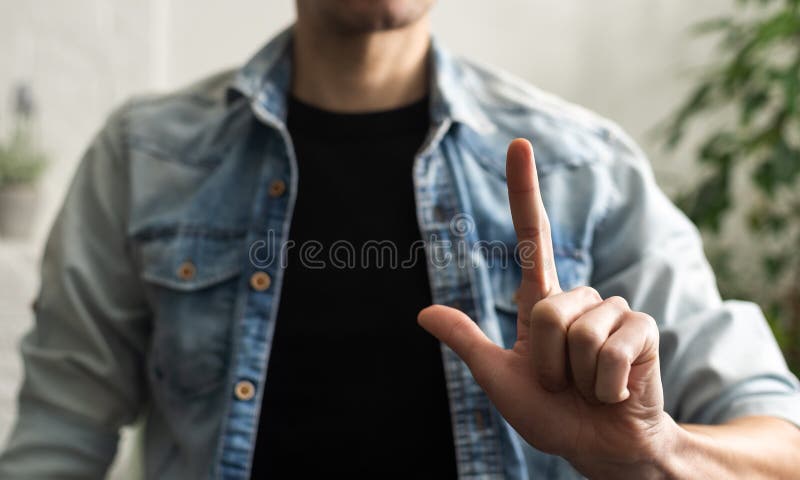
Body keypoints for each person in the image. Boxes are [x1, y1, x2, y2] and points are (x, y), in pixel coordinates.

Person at [1, 1, 799, 478]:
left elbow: (781, 438)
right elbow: (56, 439)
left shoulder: (583, 166)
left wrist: (655, 455)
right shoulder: (144, 157)